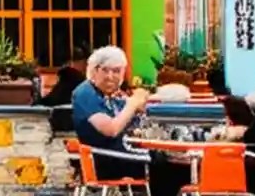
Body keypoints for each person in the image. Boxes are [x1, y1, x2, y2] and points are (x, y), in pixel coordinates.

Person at [71, 46, 191, 196]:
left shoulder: (111, 96)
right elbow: (111, 129)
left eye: (116, 71)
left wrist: (141, 105)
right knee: (173, 168)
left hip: (124, 155)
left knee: (179, 163)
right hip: (107, 160)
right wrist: (132, 104)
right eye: (105, 70)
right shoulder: (85, 93)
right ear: (94, 71)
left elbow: (135, 116)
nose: (110, 76)